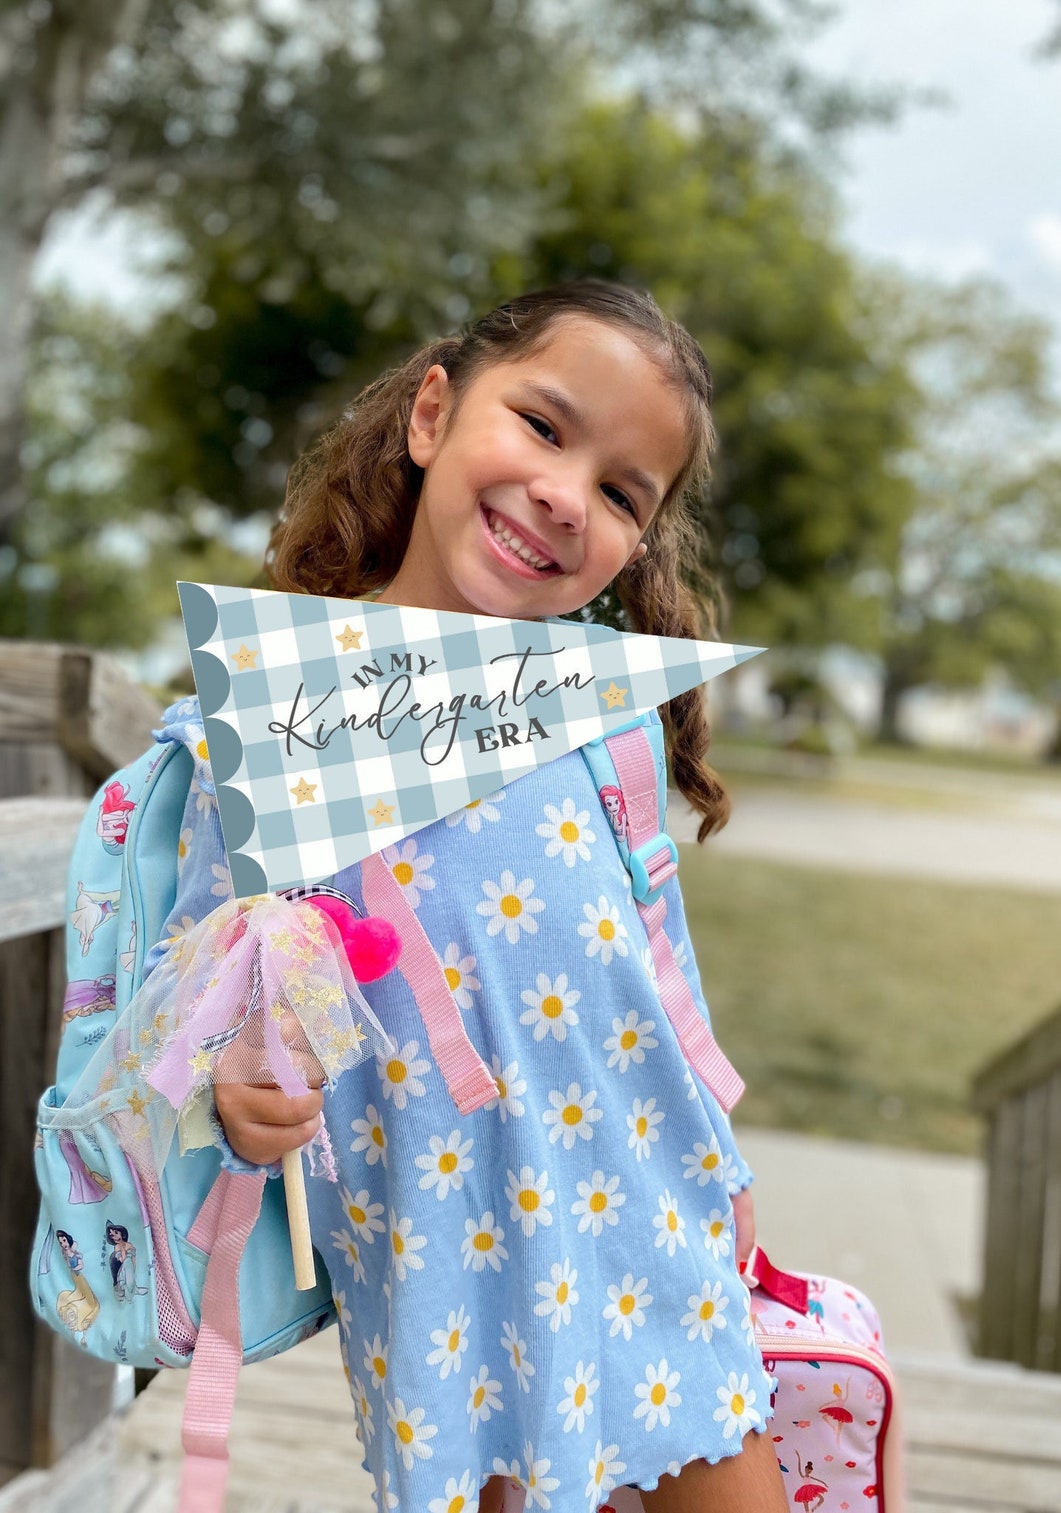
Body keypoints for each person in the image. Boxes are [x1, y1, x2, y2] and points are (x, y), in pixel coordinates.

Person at [159, 282, 787, 1512]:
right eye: (546, 428)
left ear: (638, 545)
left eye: (621, 493)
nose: (567, 492)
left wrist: (724, 1154)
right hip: (448, 1274)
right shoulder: (280, 724)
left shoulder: (605, 735)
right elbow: (209, 1003)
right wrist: (240, 1092)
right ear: (434, 412)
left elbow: (661, 968)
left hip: (658, 1235)